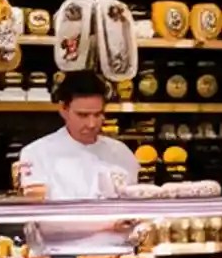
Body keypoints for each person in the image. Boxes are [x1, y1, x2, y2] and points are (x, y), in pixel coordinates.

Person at [18, 71, 138, 200]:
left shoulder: (122, 153)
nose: (92, 124)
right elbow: (35, 209)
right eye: (83, 115)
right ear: (64, 110)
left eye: (97, 115)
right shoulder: (36, 154)